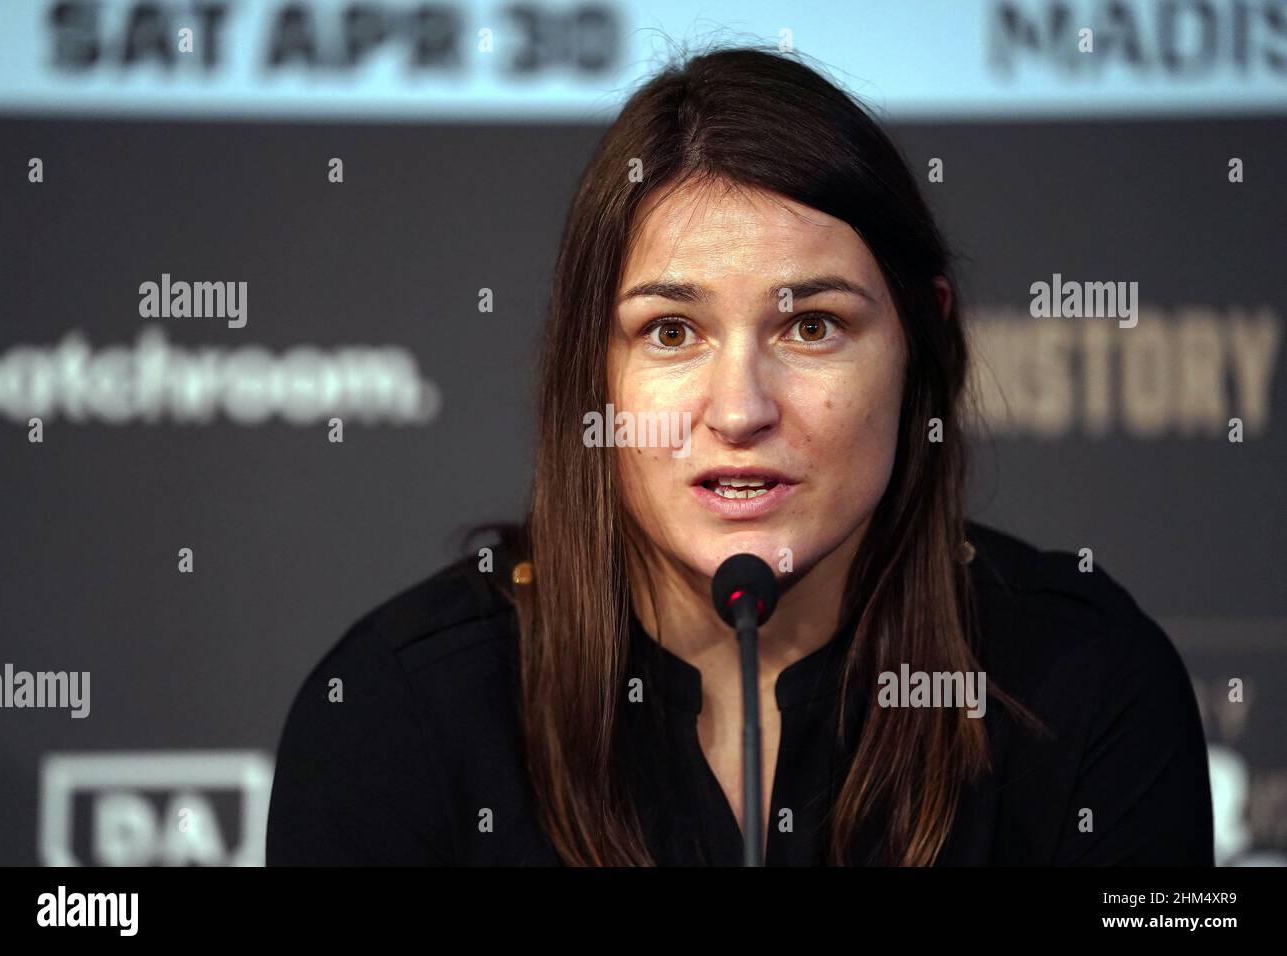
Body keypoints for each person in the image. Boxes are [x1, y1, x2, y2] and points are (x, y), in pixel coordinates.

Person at [265, 46, 1214, 866]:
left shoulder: (1086, 681)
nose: (740, 409)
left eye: (811, 325)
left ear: (920, 346)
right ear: (590, 372)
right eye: (671, 332)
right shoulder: (399, 715)